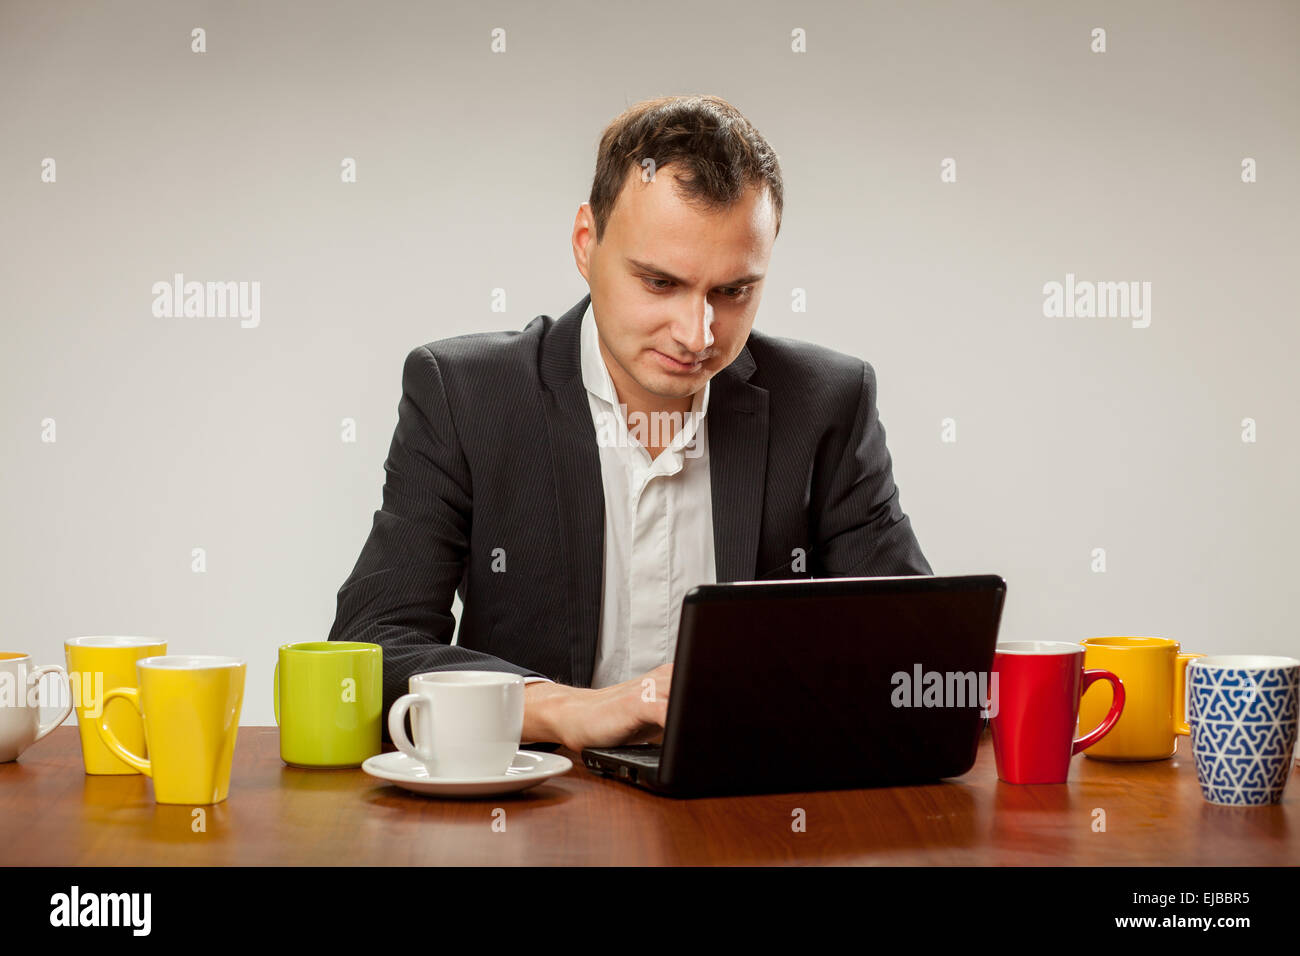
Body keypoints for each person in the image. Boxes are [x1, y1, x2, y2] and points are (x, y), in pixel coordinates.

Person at [326, 94, 932, 754]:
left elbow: (917, 658)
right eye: (660, 283)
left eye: (733, 291)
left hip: (748, 807)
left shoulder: (827, 402)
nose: (696, 333)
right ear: (586, 244)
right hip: (538, 810)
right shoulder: (466, 395)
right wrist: (567, 712)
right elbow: (371, 651)